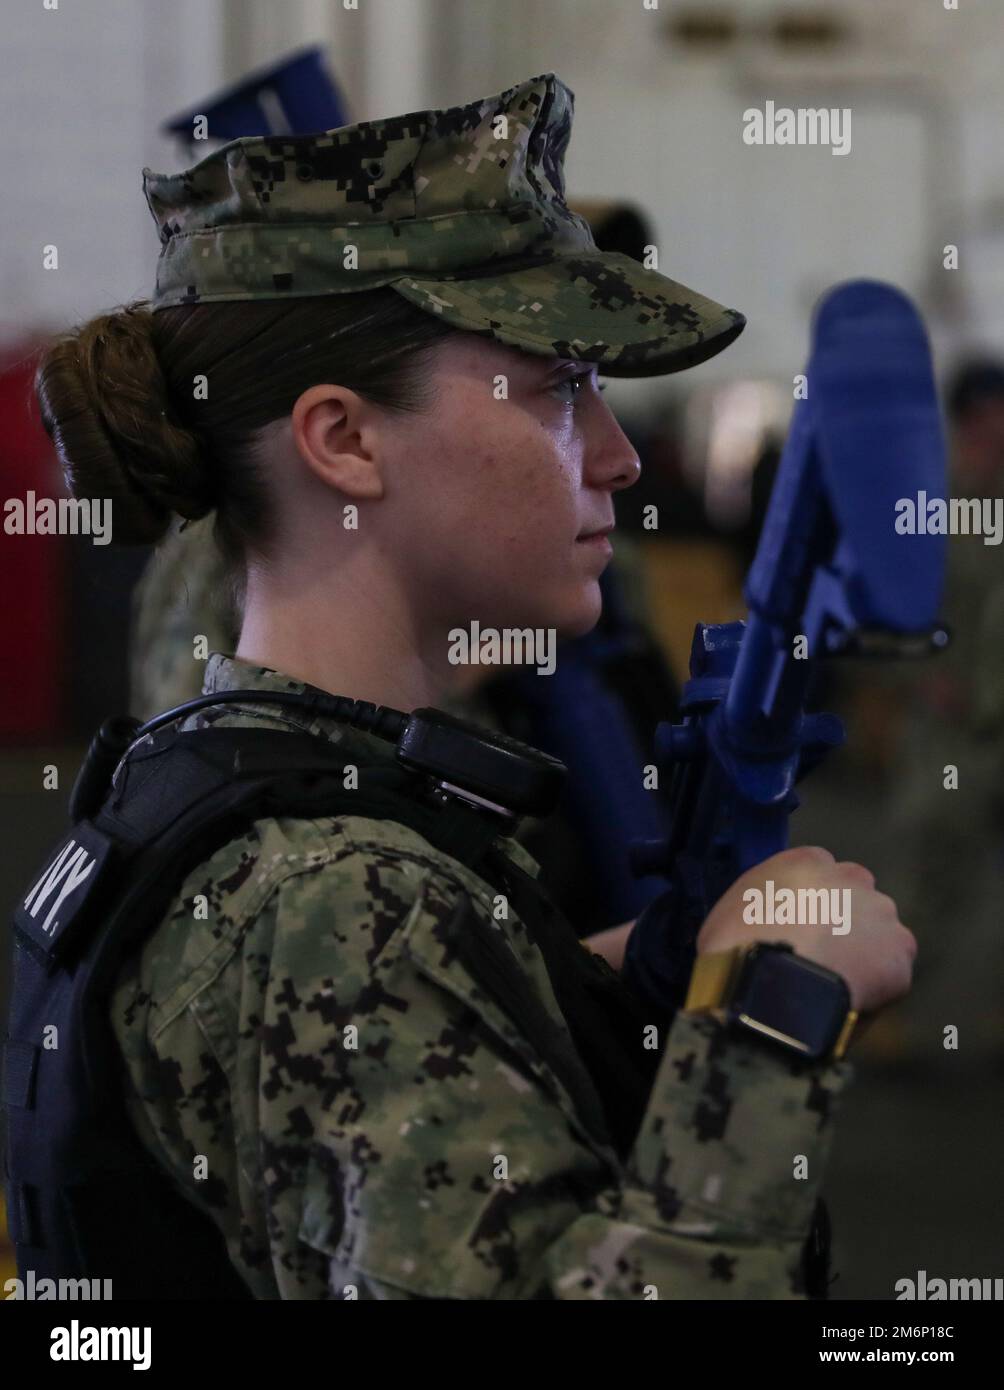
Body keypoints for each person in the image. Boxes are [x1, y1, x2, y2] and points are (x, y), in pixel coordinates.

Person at [22, 71, 914, 1299]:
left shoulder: (248, 786)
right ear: (343, 440)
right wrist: (765, 1023)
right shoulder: (335, 892)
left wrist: (609, 987)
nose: (617, 452)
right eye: (555, 389)